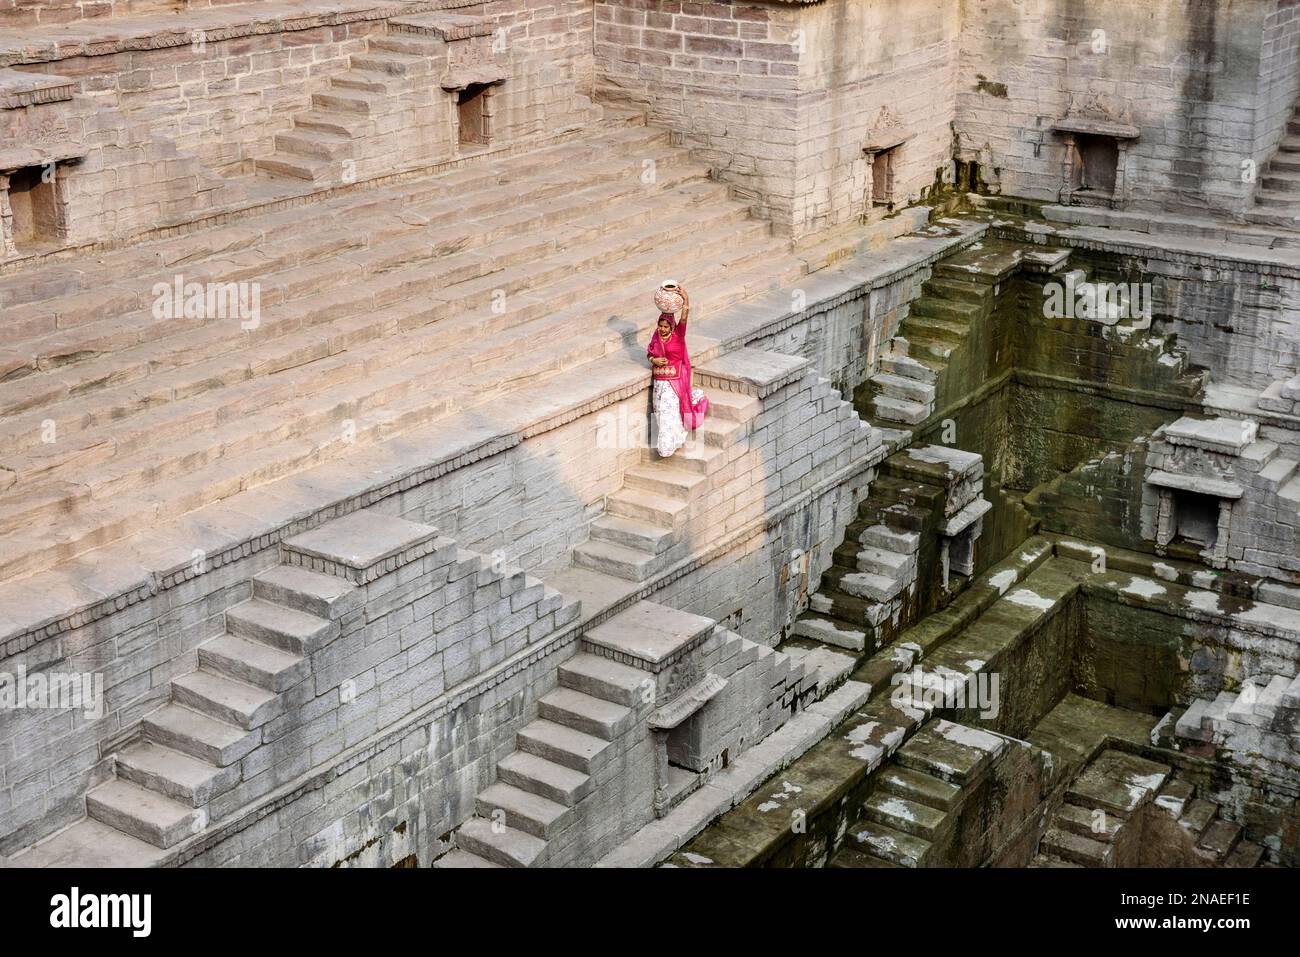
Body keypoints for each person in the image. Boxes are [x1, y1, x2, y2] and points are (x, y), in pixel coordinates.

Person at [646, 284, 708, 457]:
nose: (663, 329)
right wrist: (654, 360)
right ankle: (673, 439)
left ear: (671, 327)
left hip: (674, 381)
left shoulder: (679, 335)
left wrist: (686, 299)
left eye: (666, 327)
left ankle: (666, 447)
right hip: (659, 382)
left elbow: (683, 319)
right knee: (660, 412)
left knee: (668, 413)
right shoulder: (656, 337)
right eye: (660, 326)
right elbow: (649, 353)